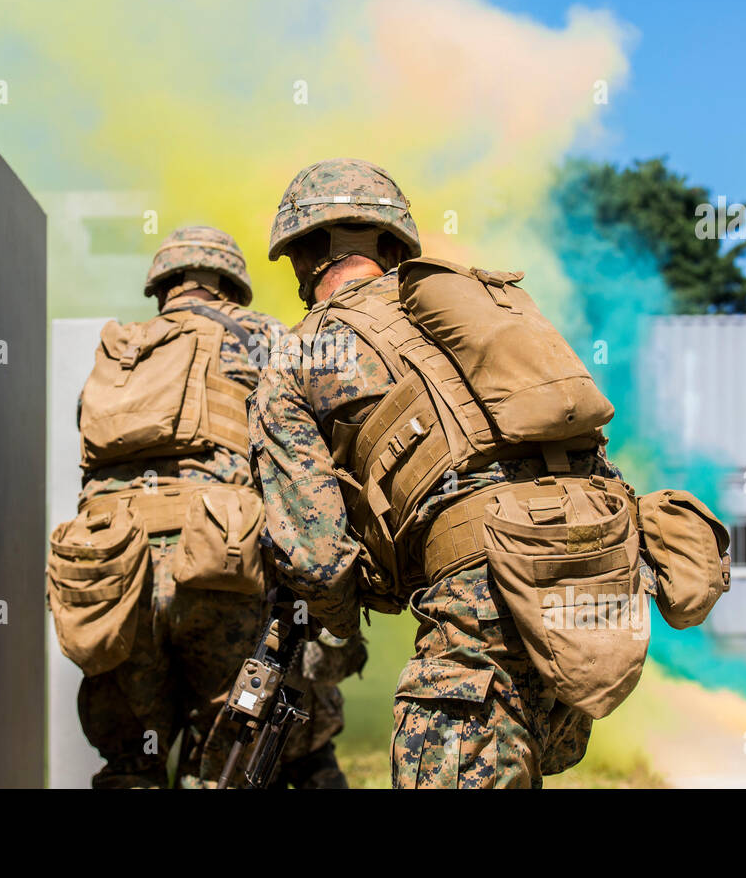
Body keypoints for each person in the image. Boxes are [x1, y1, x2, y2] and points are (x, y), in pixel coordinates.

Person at [249, 159, 651, 788]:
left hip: (482, 598)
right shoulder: (480, 306)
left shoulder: (298, 355)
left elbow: (318, 560)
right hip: (595, 581)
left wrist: (347, 616)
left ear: (305, 254)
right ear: (391, 245)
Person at [56, 225, 355, 788]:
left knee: (130, 763)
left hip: (115, 575)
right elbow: (310, 446)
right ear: (229, 283)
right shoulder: (261, 335)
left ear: (162, 285)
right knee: (256, 747)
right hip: (221, 566)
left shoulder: (120, 352)